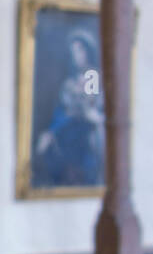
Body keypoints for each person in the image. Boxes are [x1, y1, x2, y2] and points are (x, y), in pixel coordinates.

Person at [34, 27, 104, 187]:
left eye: (79, 50)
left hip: (84, 128)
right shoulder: (71, 80)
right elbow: (62, 109)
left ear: (87, 51)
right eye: (74, 51)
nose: (76, 56)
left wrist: (77, 102)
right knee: (49, 141)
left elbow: (88, 106)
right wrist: (51, 130)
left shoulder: (91, 76)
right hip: (70, 124)